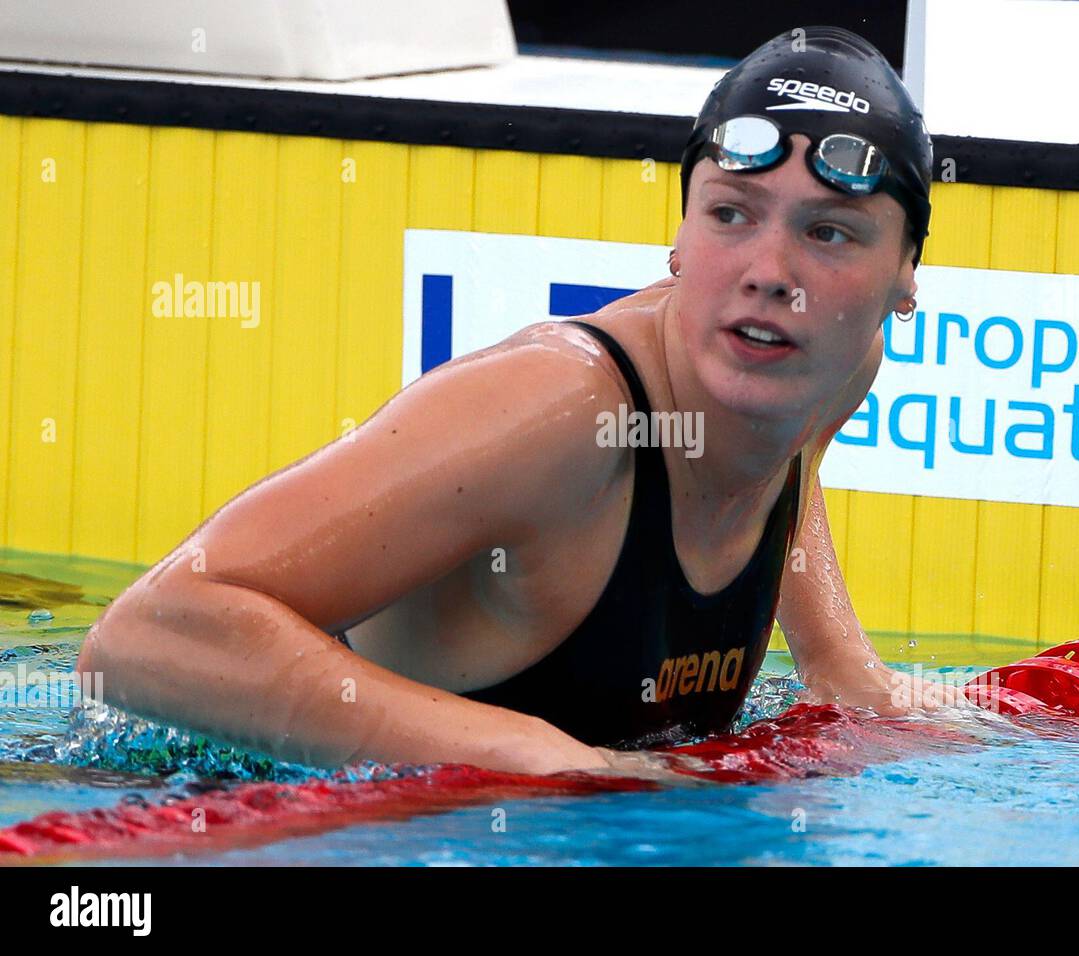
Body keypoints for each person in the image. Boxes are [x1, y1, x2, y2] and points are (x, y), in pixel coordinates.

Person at [75, 25, 960, 780]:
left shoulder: (828, 361)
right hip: (221, 795)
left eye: (829, 232)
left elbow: (788, 458)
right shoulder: (561, 411)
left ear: (903, 278)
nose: (771, 274)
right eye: (731, 214)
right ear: (679, 239)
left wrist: (835, 657)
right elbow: (146, 639)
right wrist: (546, 759)